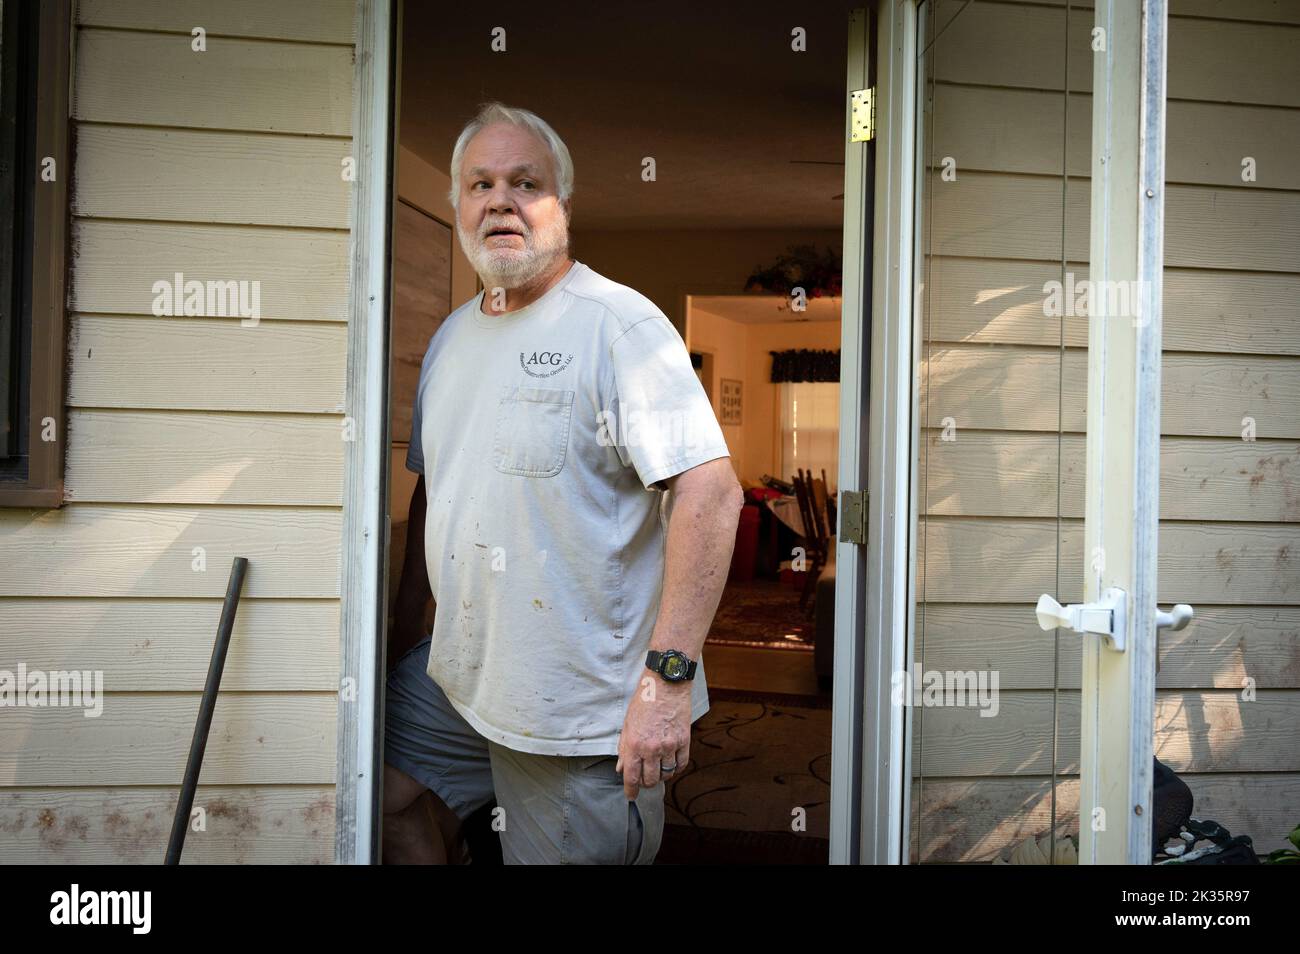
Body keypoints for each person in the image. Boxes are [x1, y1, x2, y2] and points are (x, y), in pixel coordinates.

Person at [382, 101, 742, 864]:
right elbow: (433, 491)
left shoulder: (618, 326)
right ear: (458, 207)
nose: (500, 200)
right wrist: (401, 635)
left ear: (561, 205)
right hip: (459, 677)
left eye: (525, 182)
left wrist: (667, 682)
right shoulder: (452, 338)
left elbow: (711, 494)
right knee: (371, 794)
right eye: (480, 184)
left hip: (581, 707)